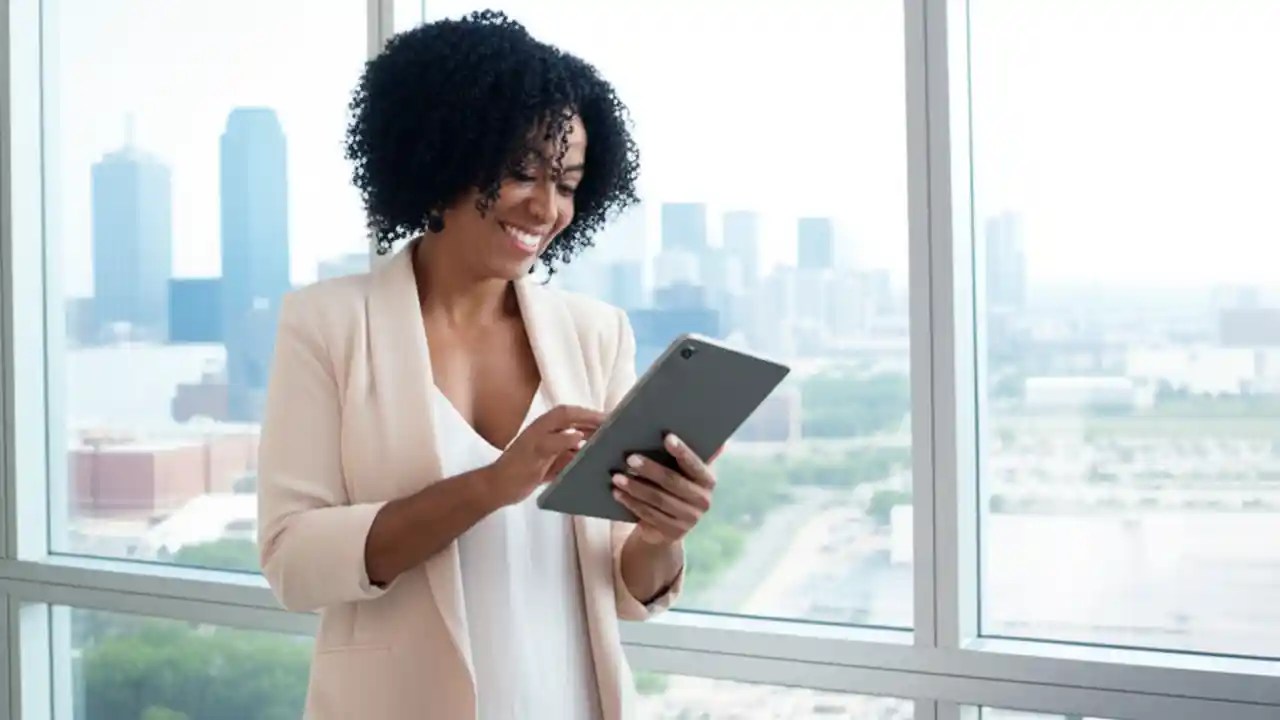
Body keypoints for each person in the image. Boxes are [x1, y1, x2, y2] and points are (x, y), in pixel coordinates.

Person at [257, 10, 720, 720]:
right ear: (441, 153)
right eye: (519, 173)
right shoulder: (329, 325)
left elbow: (629, 588)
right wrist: (493, 485)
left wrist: (662, 533)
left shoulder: (594, 335)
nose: (546, 206)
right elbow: (295, 563)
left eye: (567, 183)